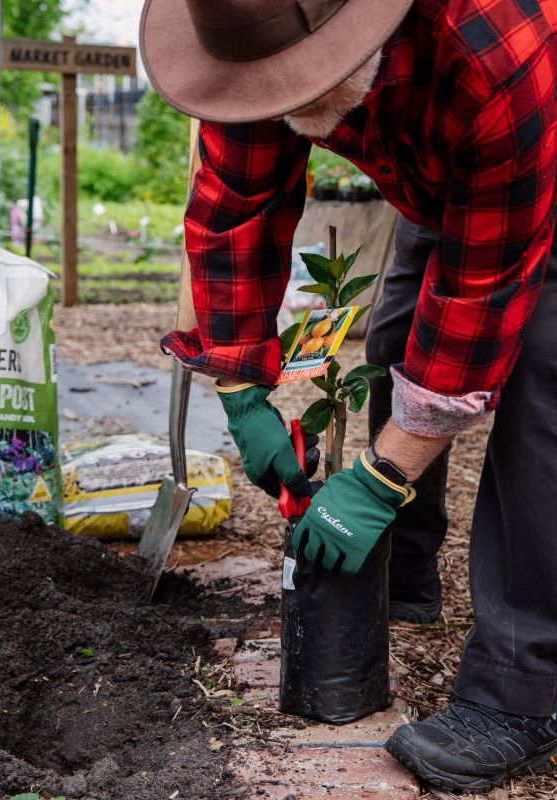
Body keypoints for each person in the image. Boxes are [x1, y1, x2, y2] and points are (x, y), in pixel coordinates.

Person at [140, 0, 557, 792]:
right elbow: (237, 211)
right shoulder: (248, 39)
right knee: (398, 334)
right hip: (440, 185)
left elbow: (481, 289)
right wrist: (240, 389)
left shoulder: (491, 45)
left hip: (536, 168)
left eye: (305, 82)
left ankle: (523, 690)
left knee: (540, 383)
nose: (288, 104)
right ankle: (399, 577)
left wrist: (382, 476)